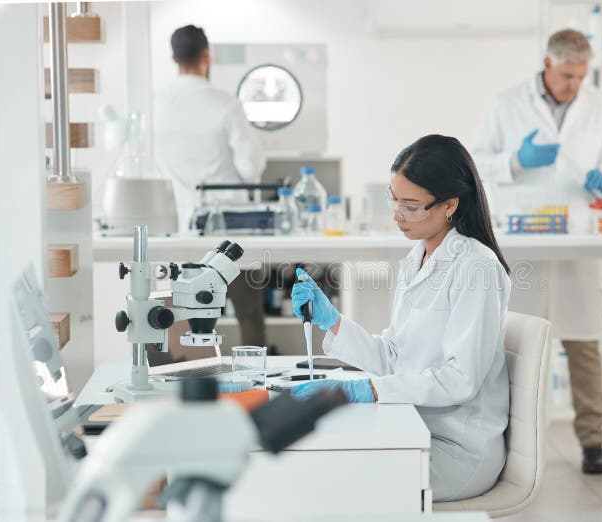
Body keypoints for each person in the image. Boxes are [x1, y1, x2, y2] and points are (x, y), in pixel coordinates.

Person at [289, 135, 511, 501]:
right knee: (313, 452)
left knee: (329, 478)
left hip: (455, 449)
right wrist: (333, 322)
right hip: (413, 423)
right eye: (394, 199)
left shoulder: (477, 268)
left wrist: (368, 389)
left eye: (411, 205)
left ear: (449, 205)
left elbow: (461, 380)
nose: (396, 214)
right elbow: (395, 357)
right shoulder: (416, 260)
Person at [471, 28, 602, 474]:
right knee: (520, 345)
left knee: (584, 342)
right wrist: (516, 161)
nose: (574, 86)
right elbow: (476, 162)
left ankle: (593, 442)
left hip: (578, 234)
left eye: (581, 76)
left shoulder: (597, 107)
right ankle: (517, 441)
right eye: (567, 76)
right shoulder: (506, 103)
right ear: (547, 64)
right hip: (526, 237)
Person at [154, 24, 268, 349]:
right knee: (248, 313)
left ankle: (175, 378)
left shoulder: (157, 104)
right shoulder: (225, 103)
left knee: (174, 310)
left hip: (181, 227)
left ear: (173, 57)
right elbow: (251, 167)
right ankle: (256, 384)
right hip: (232, 229)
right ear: (207, 56)